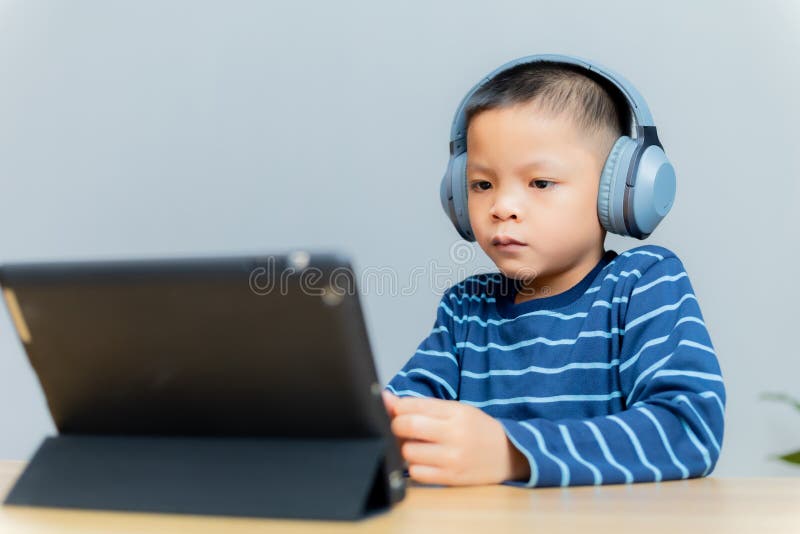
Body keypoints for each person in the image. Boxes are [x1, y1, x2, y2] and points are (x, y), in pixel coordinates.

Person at [382, 55, 725, 488]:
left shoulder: (643, 285)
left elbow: (688, 431)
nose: (501, 207)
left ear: (618, 190)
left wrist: (512, 451)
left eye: (540, 183)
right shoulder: (466, 310)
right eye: (481, 184)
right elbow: (406, 416)